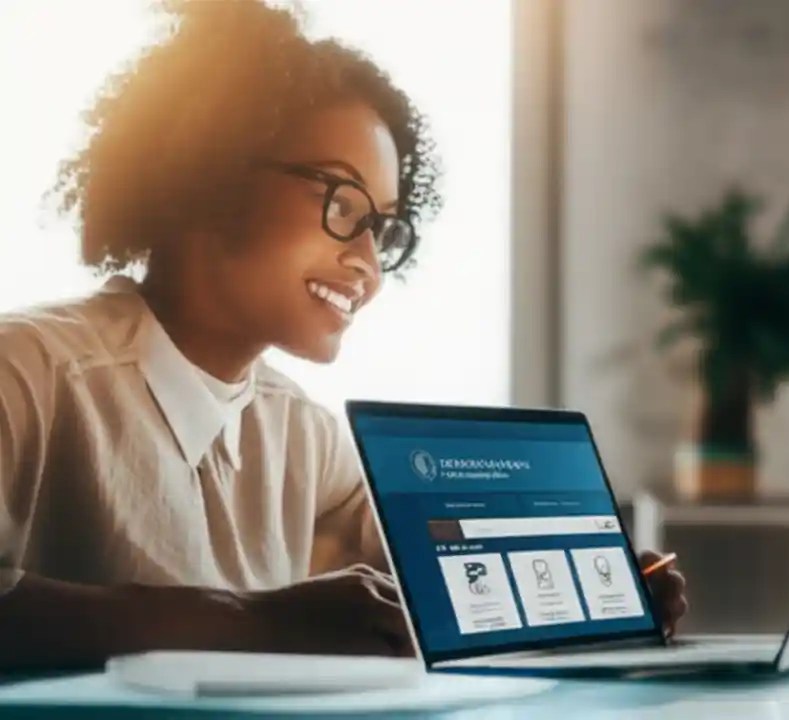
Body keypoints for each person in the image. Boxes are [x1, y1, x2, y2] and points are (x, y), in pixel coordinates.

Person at [0, 0, 687, 671]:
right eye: (342, 202)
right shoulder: (25, 374)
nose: (367, 262)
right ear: (210, 170)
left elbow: (434, 587)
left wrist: (595, 599)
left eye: (383, 227)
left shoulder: (306, 436)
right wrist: (257, 620)